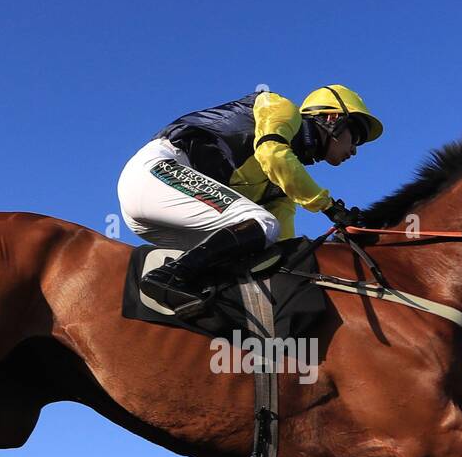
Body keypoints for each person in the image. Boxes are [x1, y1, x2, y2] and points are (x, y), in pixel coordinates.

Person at [118, 84, 382, 317]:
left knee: (253, 256)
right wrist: (329, 207)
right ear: (333, 118)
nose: (354, 150)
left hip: (160, 214)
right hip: (158, 171)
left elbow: (281, 246)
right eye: (356, 136)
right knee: (262, 222)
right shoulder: (280, 106)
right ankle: (168, 278)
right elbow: (273, 155)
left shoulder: (280, 189)